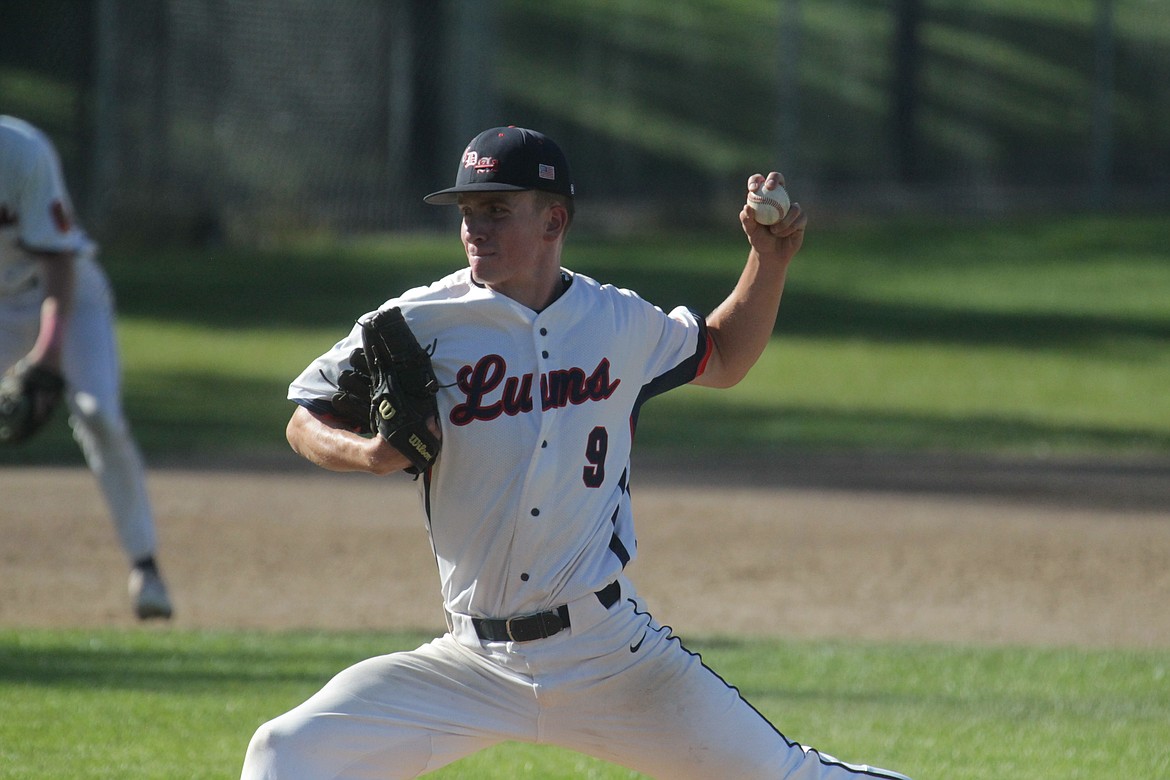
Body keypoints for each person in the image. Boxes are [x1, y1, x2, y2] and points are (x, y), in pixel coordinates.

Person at [242, 126, 910, 779]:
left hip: (608, 652)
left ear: (554, 220)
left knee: (787, 776)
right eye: (468, 211)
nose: (476, 226)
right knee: (286, 753)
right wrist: (367, 454)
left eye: (498, 209)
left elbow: (724, 354)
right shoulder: (416, 322)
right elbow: (306, 418)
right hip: (471, 663)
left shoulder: (616, 322)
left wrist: (770, 261)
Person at [0, 115, 173, 620]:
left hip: (66, 294)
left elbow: (58, 263)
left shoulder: (21, 152)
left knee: (99, 414)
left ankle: (147, 569)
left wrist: (46, 362)